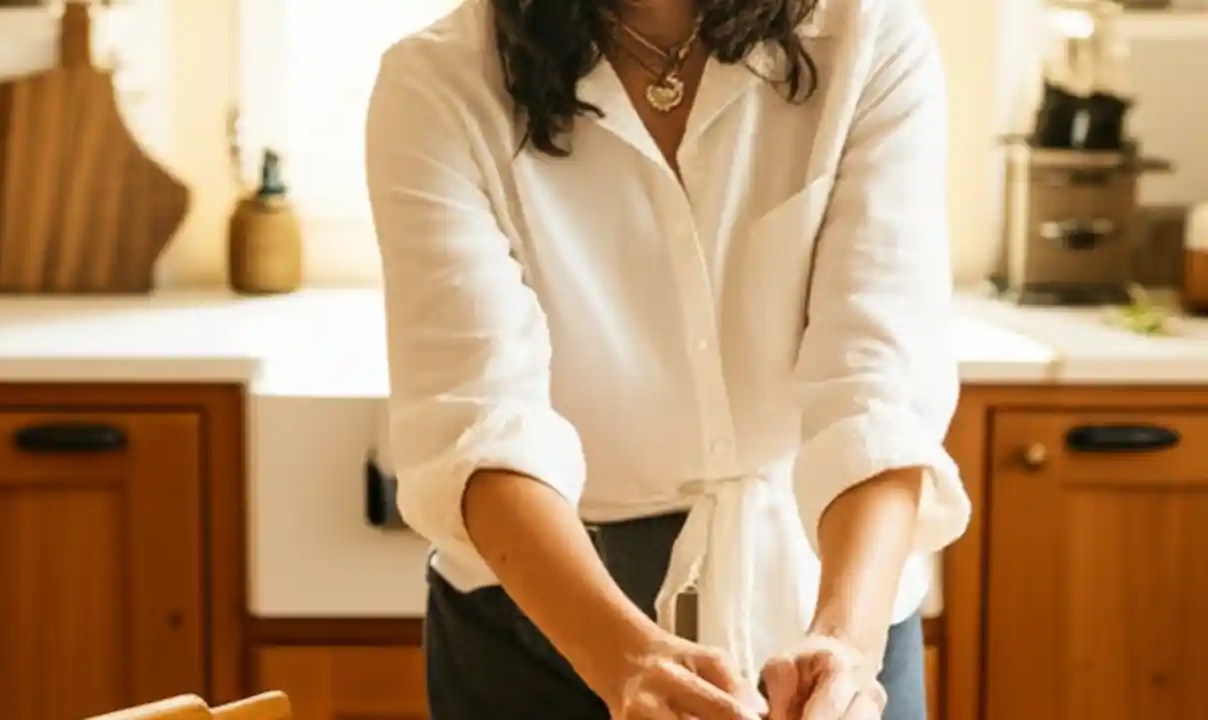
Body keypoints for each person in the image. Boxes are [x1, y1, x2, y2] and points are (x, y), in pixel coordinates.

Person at [367, 0, 971, 717]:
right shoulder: (438, 82)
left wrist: (845, 642)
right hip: (545, 619)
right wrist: (623, 656)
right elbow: (478, 425)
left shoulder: (868, 40)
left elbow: (878, 392)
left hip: (835, 601)